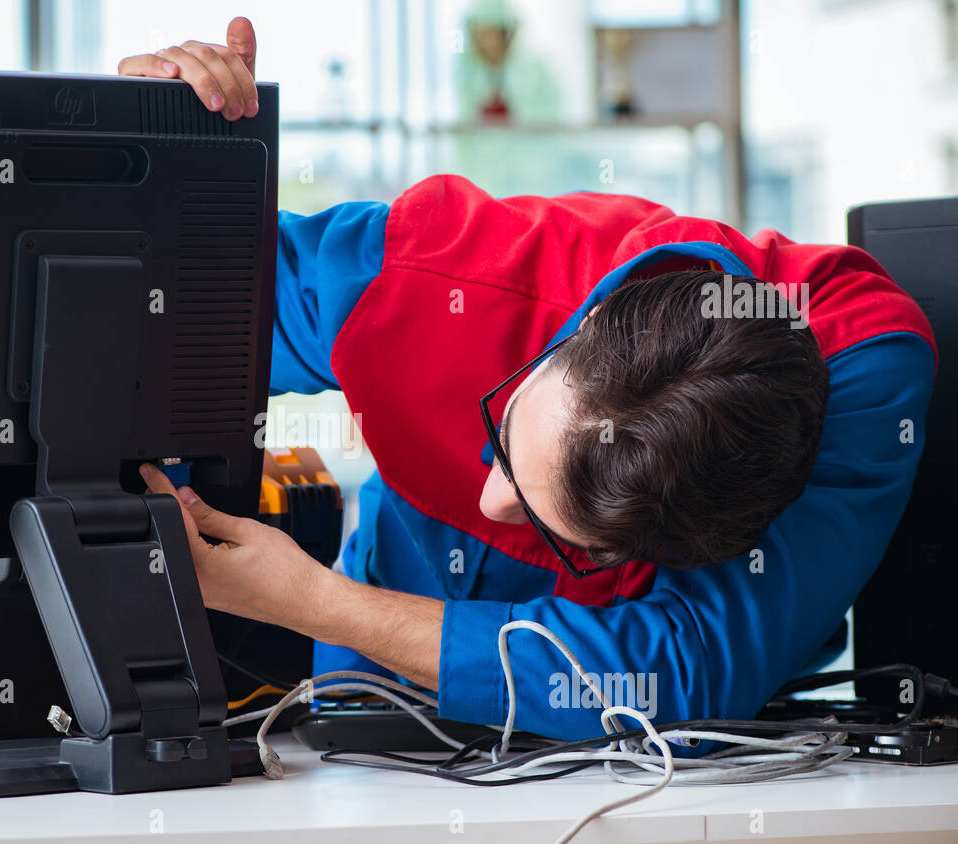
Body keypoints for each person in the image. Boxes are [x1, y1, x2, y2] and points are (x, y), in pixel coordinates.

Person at [121, 18, 937, 746]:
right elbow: (170, 318)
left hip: (627, 770)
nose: (489, 502)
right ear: (572, 333)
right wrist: (145, 159)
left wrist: (315, 602)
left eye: (563, 534)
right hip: (364, 707)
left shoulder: (866, 372)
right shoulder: (429, 270)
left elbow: (688, 671)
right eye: (506, 435)